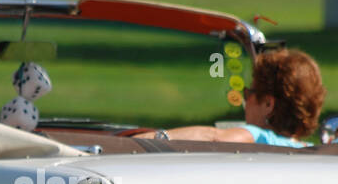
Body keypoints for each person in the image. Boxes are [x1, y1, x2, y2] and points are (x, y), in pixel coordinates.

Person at [140, 48, 326, 146]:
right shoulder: (310, 152)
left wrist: (149, 139)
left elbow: (214, 138)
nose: (245, 102)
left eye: (249, 93)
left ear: (268, 104)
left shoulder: (260, 137)